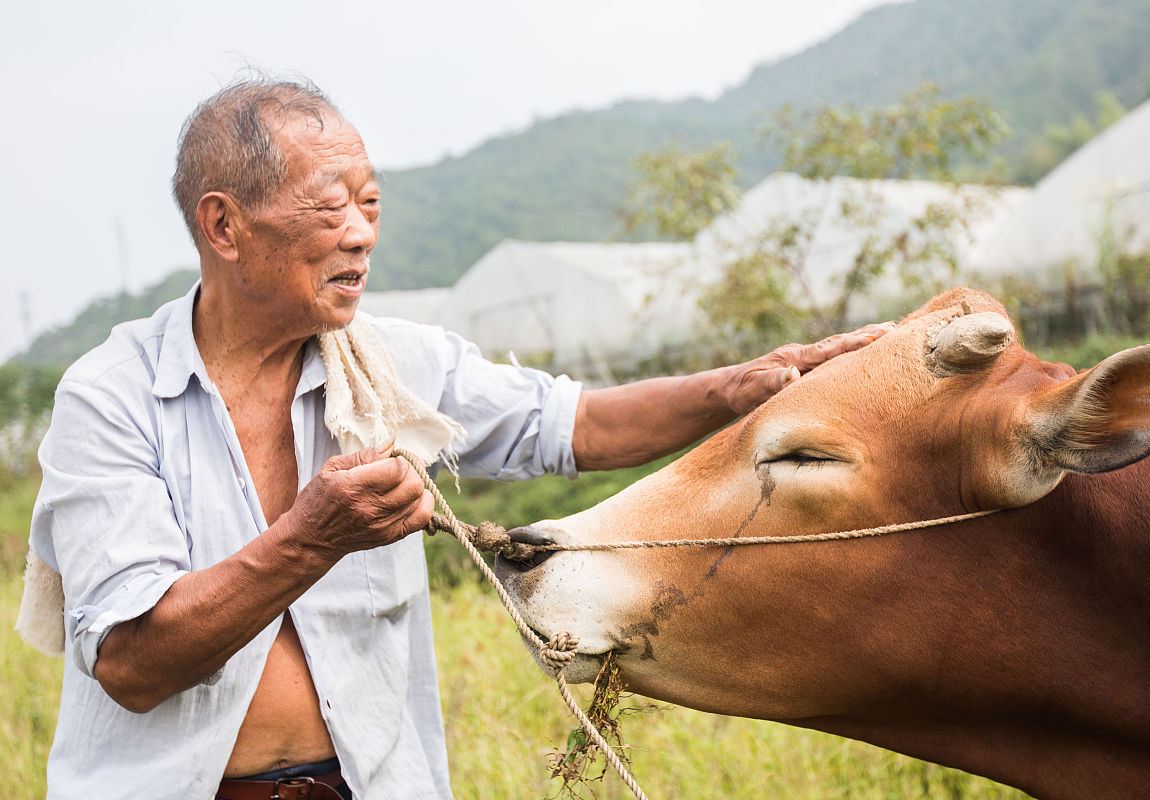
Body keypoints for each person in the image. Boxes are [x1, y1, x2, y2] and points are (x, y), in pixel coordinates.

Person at [28, 78, 890, 800]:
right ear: (224, 227)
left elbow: (575, 424)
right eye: (330, 206)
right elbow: (134, 664)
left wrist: (742, 386)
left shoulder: (396, 365)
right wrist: (313, 536)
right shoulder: (112, 398)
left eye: (370, 203)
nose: (362, 233)